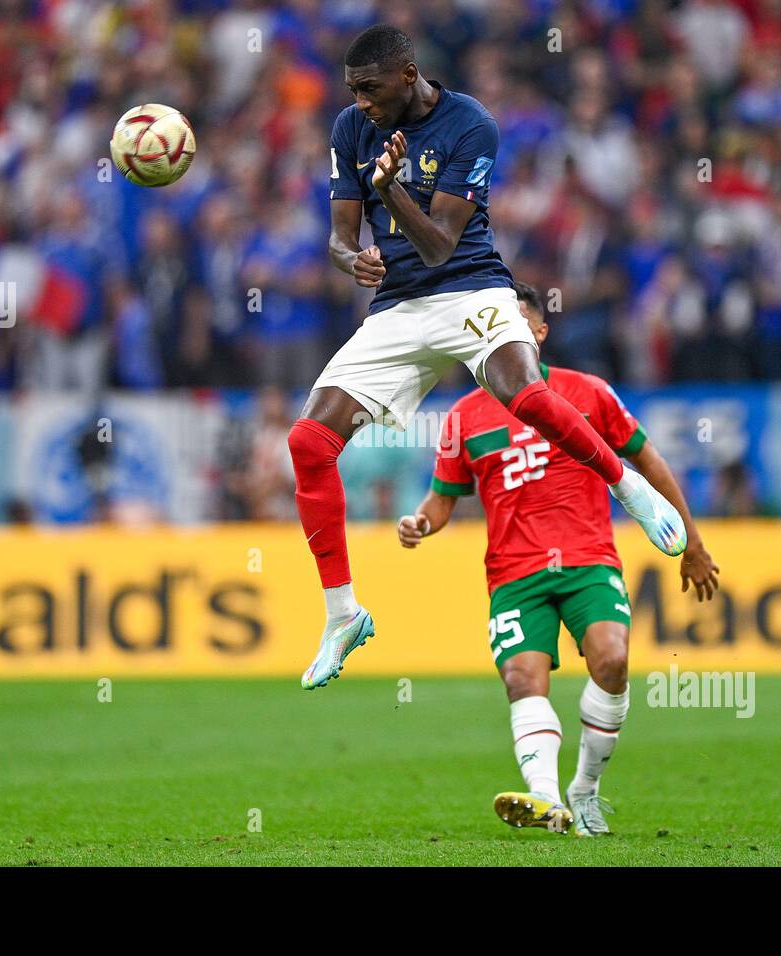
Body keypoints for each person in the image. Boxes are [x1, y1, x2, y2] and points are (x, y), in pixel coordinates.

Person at [290, 24, 687, 690]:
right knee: (307, 442)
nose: (361, 102)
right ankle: (343, 613)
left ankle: (626, 485)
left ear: (408, 74)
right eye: (353, 90)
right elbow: (338, 236)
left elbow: (443, 244)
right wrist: (350, 257)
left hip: (469, 286)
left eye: (371, 89)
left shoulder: (470, 124)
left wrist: (391, 192)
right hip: (397, 307)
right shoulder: (351, 127)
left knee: (523, 393)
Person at [398, 282, 719, 836]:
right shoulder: (463, 418)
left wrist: (691, 541)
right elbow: (443, 498)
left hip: (589, 561)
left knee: (613, 662)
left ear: (540, 334)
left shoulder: (588, 393)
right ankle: (545, 799)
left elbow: (651, 463)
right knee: (523, 678)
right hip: (514, 575)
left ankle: (585, 790)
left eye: (517, 326)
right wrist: (421, 521)